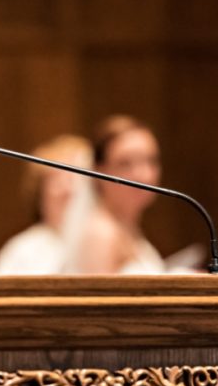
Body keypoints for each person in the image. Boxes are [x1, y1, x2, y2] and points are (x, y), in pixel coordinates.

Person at [71, 115, 166, 274]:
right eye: (125, 164)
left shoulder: (127, 228)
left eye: (150, 160)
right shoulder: (101, 235)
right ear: (98, 171)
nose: (142, 175)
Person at [0, 134, 92, 274]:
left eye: (74, 178)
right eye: (57, 180)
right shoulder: (23, 249)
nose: (67, 189)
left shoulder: (107, 241)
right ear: (39, 192)